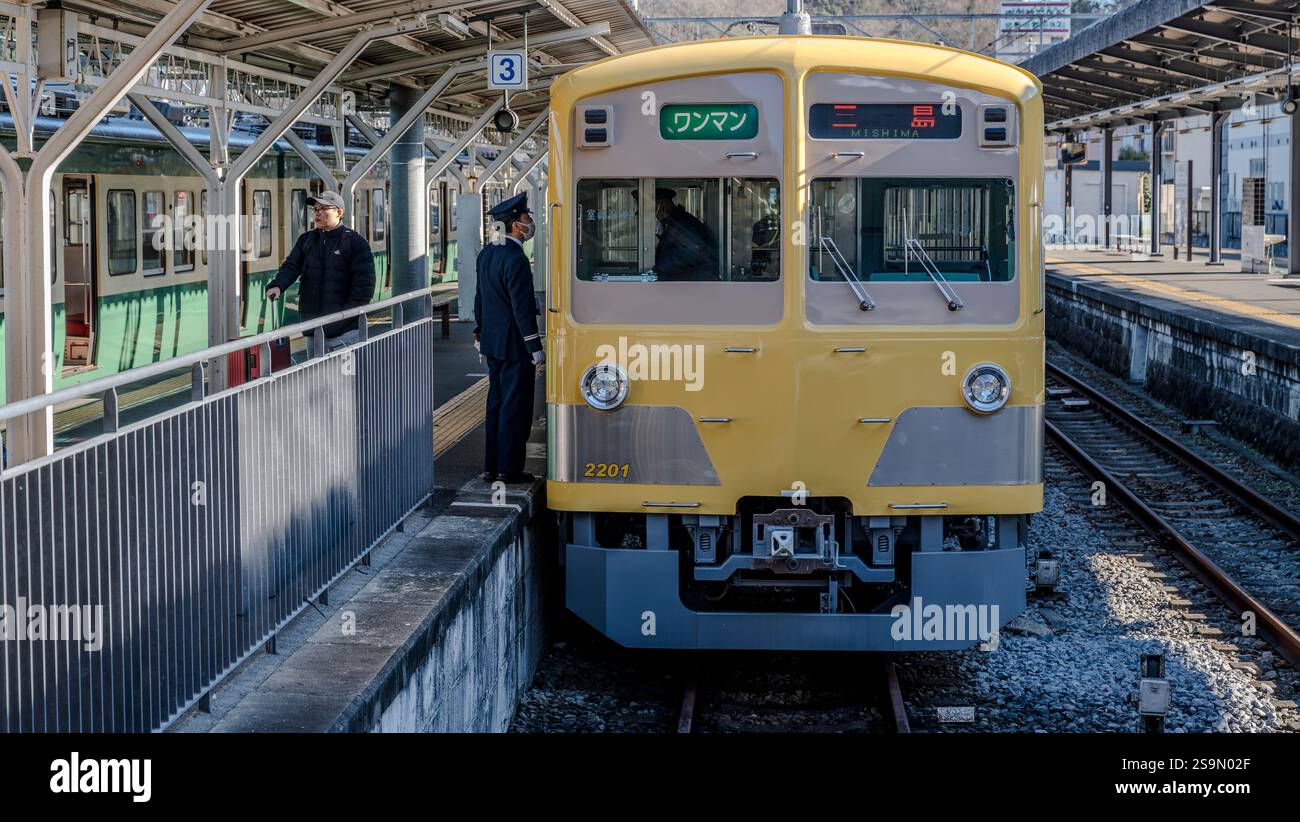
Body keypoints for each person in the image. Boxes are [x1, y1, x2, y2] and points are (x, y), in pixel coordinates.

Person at [474, 191, 544, 484]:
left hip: (492, 342)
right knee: (516, 409)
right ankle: (509, 469)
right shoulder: (515, 257)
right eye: (527, 218)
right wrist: (534, 345)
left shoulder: (488, 252)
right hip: (515, 346)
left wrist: (478, 332)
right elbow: (522, 306)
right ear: (516, 225)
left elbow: (480, 297)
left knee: (497, 404)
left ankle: (492, 467)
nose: (530, 222)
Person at [266, 190, 375, 352]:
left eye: (323, 209)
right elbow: (291, 266)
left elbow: (364, 286)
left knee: (344, 377)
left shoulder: (355, 243)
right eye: (315, 209)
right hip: (314, 330)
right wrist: (278, 285)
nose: (317, 213)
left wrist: (344, 316)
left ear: (339, 212)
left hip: (345, 332)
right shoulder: (307, 239)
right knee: (316, 377)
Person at [647, 187, 716, 281]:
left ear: (661, 207)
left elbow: (688, 254)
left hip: (694, 284)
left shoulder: (685, 224)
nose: (653, 214)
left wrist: (659, 269)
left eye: (652, 209)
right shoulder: (672, 223)